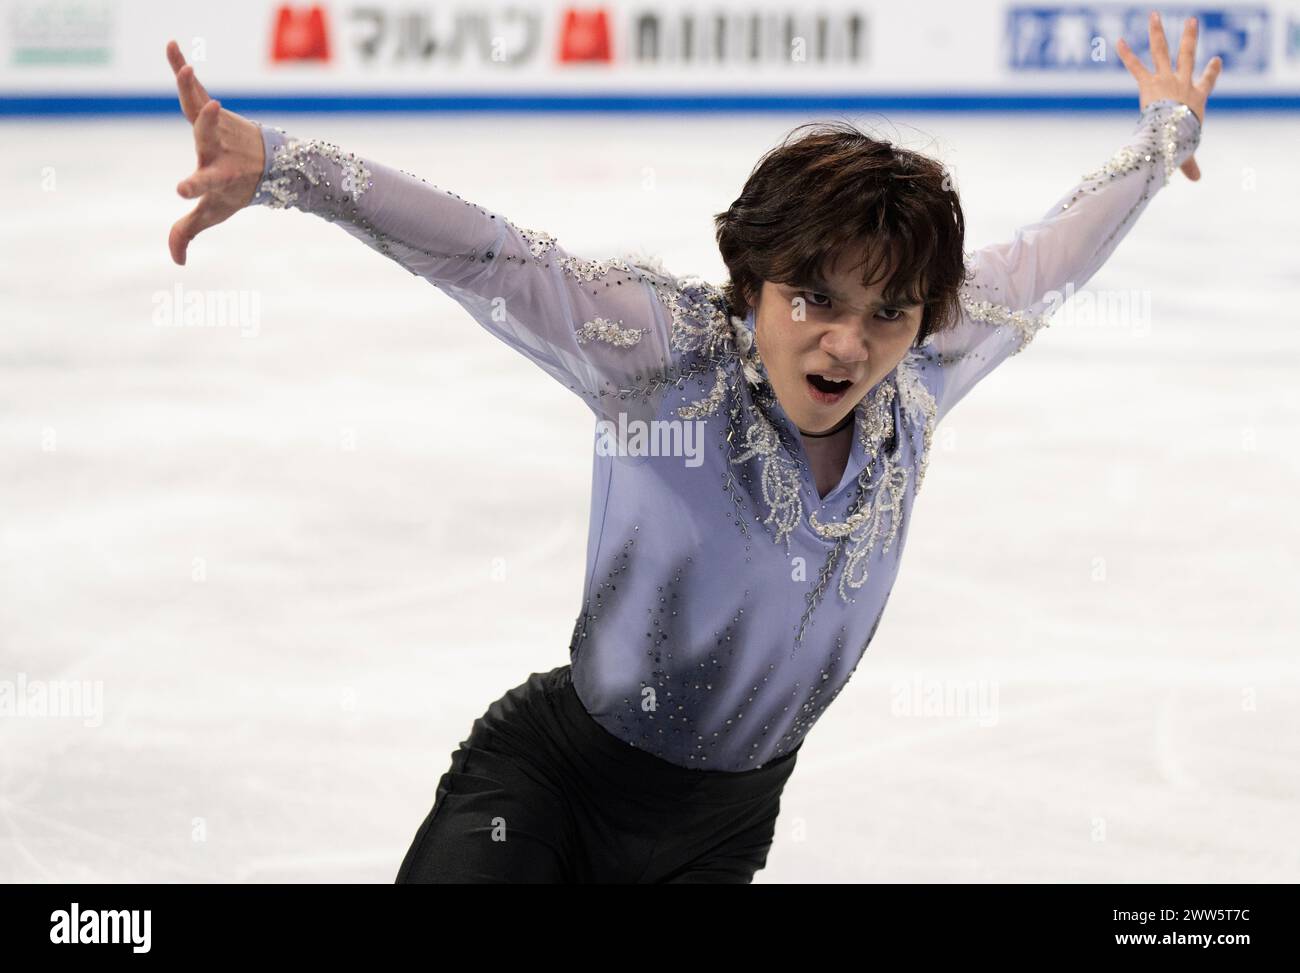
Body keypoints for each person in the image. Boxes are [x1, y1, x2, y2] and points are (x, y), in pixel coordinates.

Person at [163, 12, 1219, 883]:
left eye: (889, 312)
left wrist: (1167, 133)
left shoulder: (924, 372)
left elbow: (1053, 257)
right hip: (547, 787)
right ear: (753, 278)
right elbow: (488, 253)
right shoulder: (662, 354)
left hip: (715, 838)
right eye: (813, 297)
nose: (849, 343)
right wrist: (285, 167)